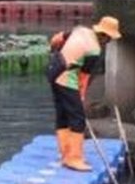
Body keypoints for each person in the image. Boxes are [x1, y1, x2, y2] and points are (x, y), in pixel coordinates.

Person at [50, 16, 121, 171]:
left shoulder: (81, 30)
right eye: (108, 39)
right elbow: (84, 77)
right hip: (66, 77)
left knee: (62, 115)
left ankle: (65, 153)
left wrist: (55, 50)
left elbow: (57, 38)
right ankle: (74, 158)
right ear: (104, 36)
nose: (108, 42)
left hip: (53, 69)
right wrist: (80, 97)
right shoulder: (94, 50)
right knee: (78, 119)